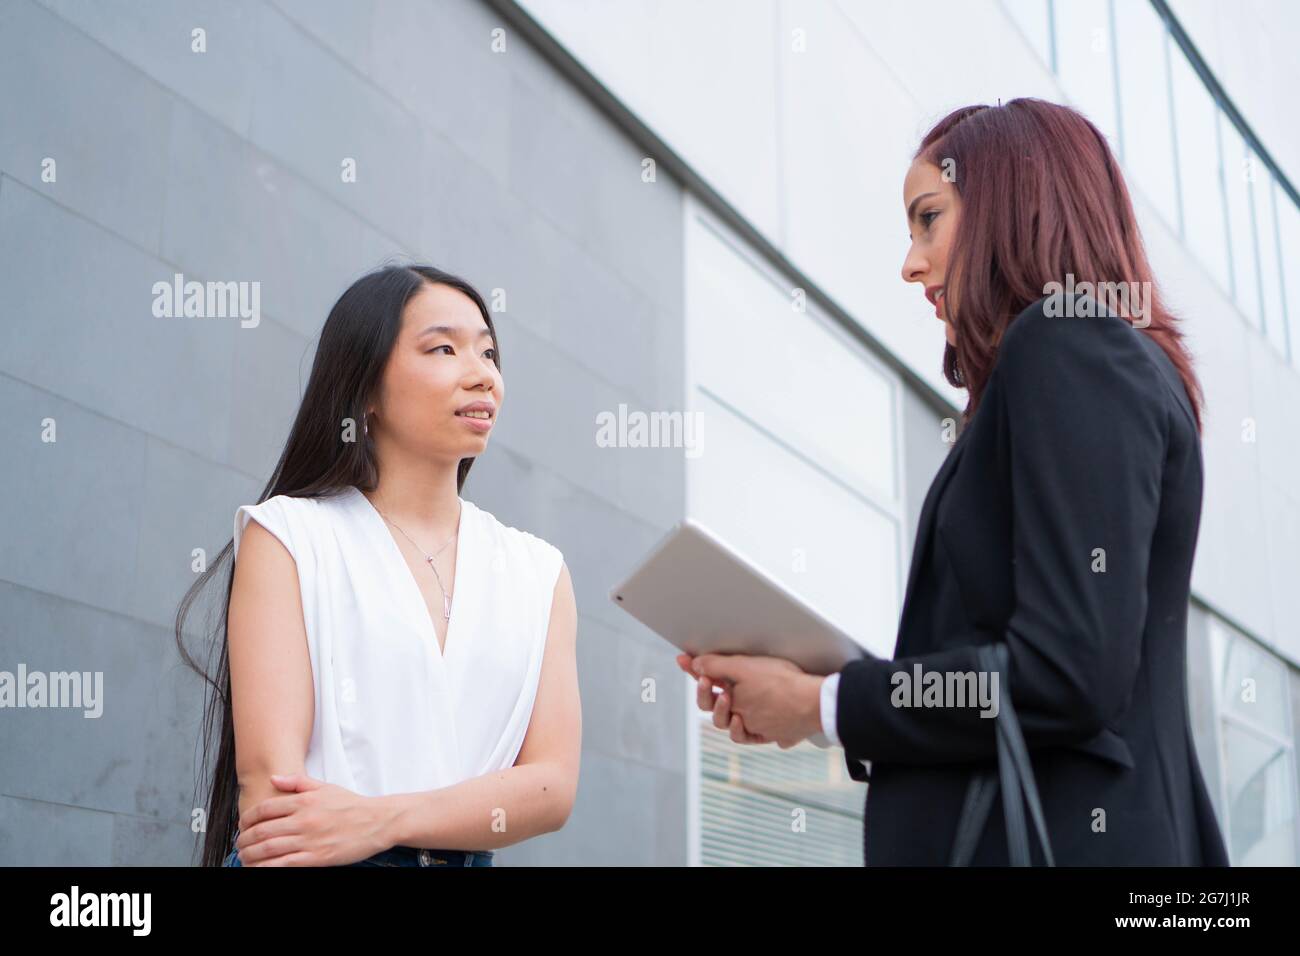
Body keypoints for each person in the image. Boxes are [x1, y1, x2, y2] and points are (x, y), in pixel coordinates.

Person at [678, 98, 1230, 866]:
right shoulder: (1099, 359)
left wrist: (825, 701)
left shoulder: (1066, 344)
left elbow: (1065, 672)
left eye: (928, 218)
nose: (910, 263)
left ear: (1011, 200)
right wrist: (824, 694)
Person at [174, 264, 580, 867]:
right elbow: (274, 797)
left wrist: (383, 820)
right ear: (366, 388)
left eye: (489, 354)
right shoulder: (290, 535)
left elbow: (551, 787)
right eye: (444, 348)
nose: (483, 376)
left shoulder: (537, 570)